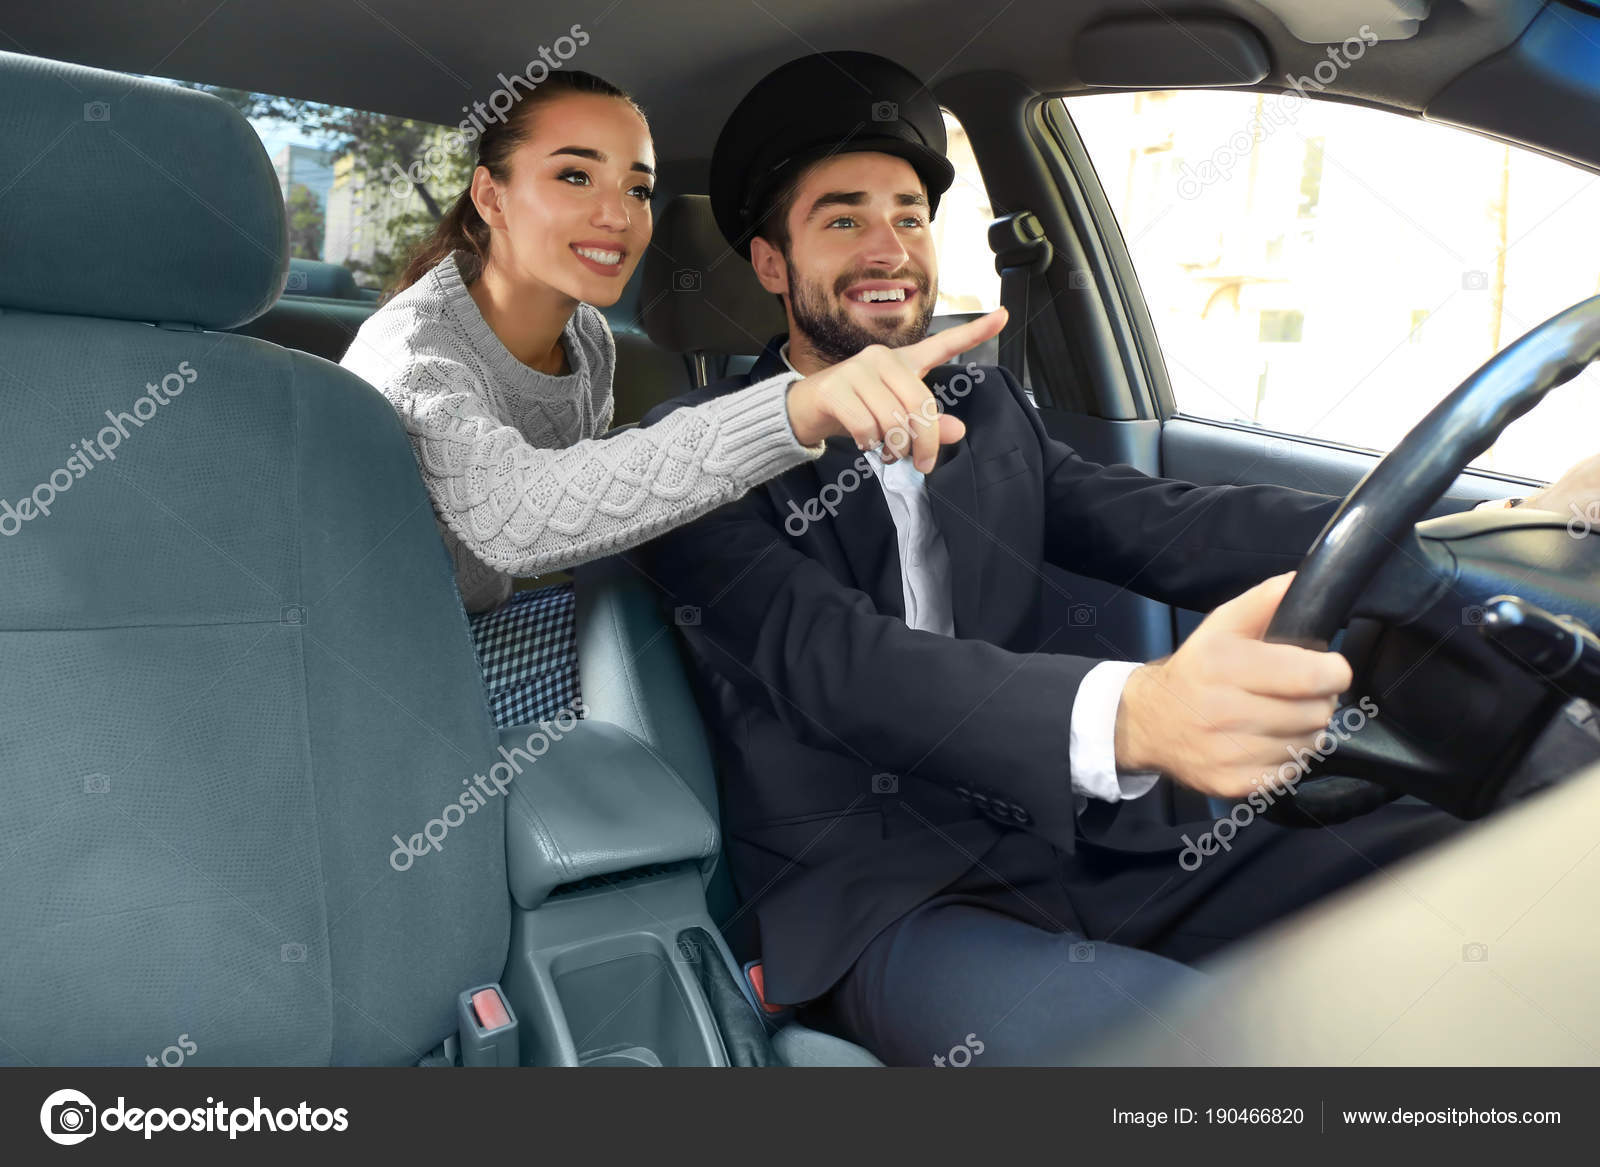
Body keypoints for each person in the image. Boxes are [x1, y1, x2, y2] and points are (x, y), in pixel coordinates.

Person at [633, 51, 1600, 1065]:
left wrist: (1499, 522)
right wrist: (1136, 714)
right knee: (1209, 1061)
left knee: (1503, 886)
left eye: (910, 215)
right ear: (772, 263)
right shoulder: (694, 451)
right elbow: (836, 663)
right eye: (843, 219)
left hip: (1080, 835)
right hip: (884, 896)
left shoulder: (983, 407)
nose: (889, 248)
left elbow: (1174, 522)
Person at [339, 68, 1002, 725]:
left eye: (639, 188)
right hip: (378, 672)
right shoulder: (414, 354)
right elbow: (519, 518)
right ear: (491, 195)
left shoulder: (588, 337)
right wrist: (794, 406)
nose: (617, 216)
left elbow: (584, 523)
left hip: (494, 625)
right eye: (575, 176)